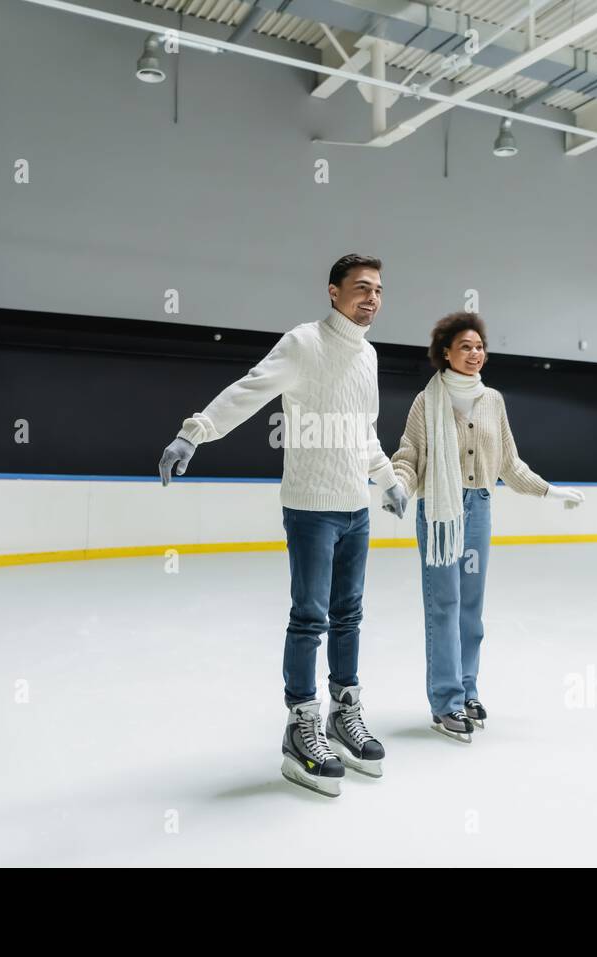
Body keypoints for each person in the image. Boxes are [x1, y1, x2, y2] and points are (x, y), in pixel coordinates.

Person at [158, 254, 409, 797]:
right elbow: (249, 391)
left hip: (355, 507)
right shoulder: (303, 343)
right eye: (362, 288)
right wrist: (193, 433)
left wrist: (386, 479)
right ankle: (301, 726)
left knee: (349, 615)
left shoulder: (366, 355)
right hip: (311, 506)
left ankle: (345, 711)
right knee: (310, 617)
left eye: (379, 290)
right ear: (333, 292)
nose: (372, 298)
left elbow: (365, 429)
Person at [389, 311, 584, 742]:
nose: (475, 354)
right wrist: (398, 485)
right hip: (440, 512)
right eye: (465, 347)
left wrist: (550, 491)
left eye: (479, 347)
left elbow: (509, 464)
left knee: (471, 609)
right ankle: (446, 702)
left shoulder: (493, 400)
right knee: (444, 605)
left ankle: (469, 690)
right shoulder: (427, 401)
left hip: (478, 507)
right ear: (446, 352)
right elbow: (408, 455)